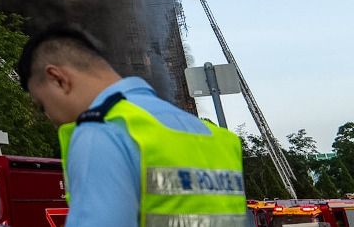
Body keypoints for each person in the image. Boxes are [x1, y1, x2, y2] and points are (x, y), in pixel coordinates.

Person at [17, 25, 246, 227]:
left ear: (58, 79)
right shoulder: (217, 138)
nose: (49, 116)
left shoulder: (103, 131)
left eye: (42, 105)